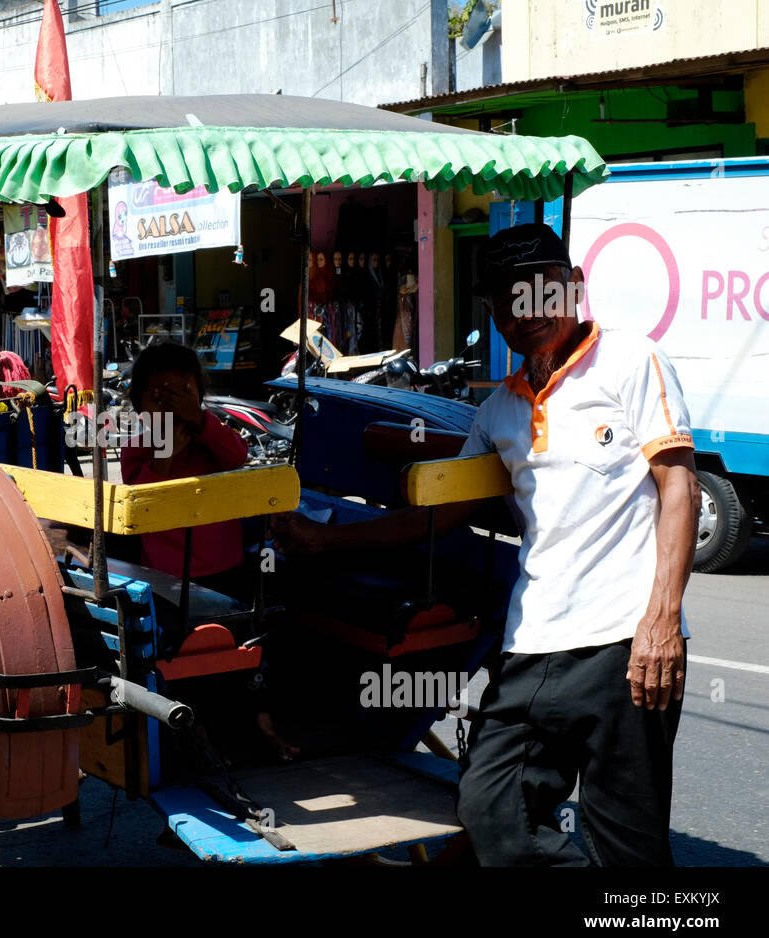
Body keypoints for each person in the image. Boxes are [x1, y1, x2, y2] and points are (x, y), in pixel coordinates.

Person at [276, 223, 698, 865]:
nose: (521, 312)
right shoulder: (498, 411)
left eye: (537, 291)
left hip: (624, 641)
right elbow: (435, 518)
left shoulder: (631, 361)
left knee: (627, 840)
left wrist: (662, 620)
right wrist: (326, 539)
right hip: (530, 645)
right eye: (505, 300)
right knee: (491, 811)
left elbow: (679, 489)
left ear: (573, 289)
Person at [121, 341, 297, 760]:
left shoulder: (211, 434)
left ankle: (259, 724)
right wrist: (167, 451)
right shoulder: (139, 442)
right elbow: (138, 494)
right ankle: (193, 730)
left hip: (226, 568)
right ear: (139, 401)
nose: (168, 404)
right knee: (181, 660)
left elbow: (236, 456)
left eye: (180, 393)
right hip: (166, 580)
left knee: (249, 647)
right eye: (157, 395)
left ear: (198, 395)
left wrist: (197, 421)